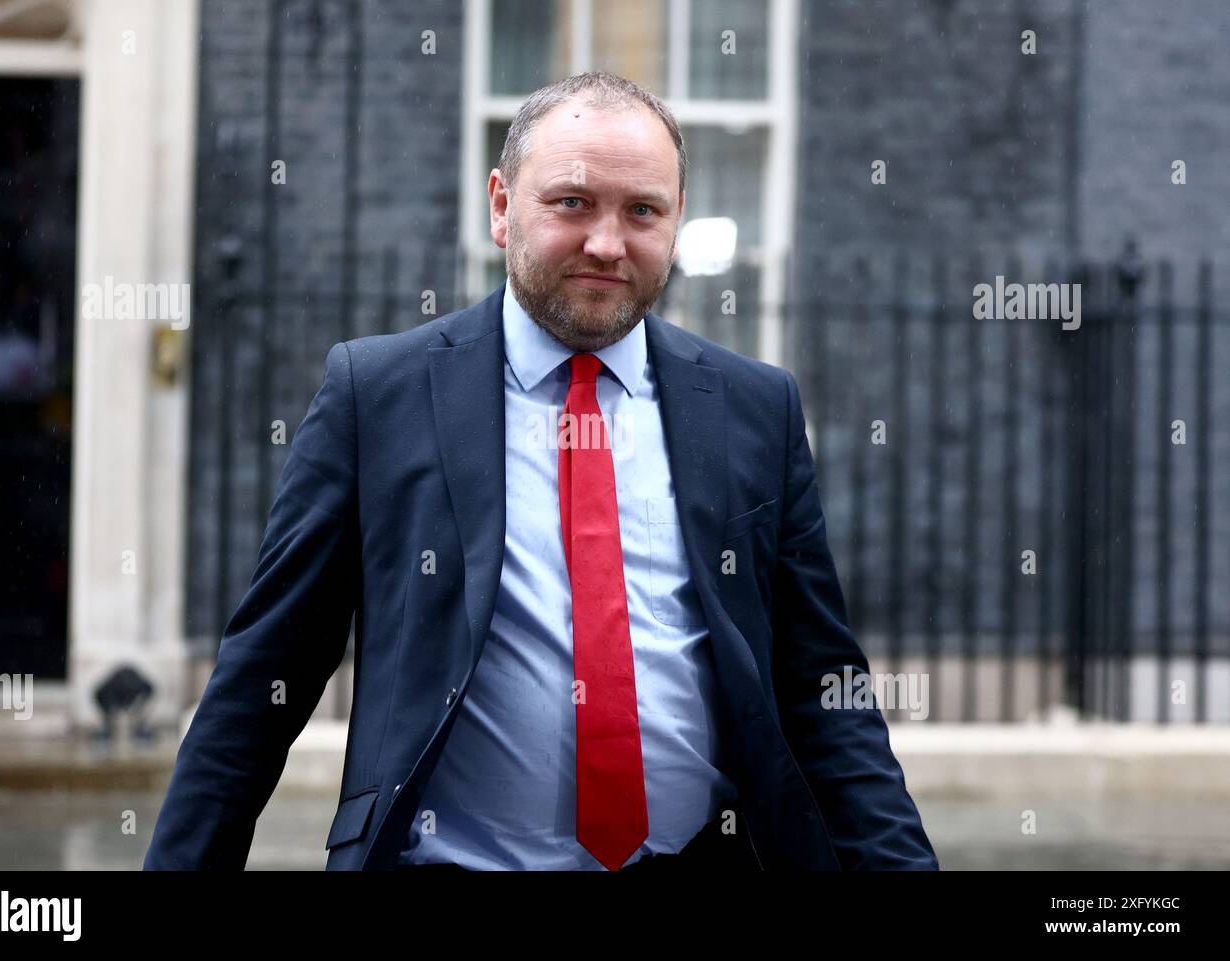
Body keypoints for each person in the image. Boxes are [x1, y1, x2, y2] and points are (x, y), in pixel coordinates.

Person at [144, 70, 938, 872]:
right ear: (500, 204)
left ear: (676, 221)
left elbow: (824, 692)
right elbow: (261, 680)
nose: (606, 242)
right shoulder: (376, 395)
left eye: (642, 211)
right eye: (572, 203)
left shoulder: (754, 407)